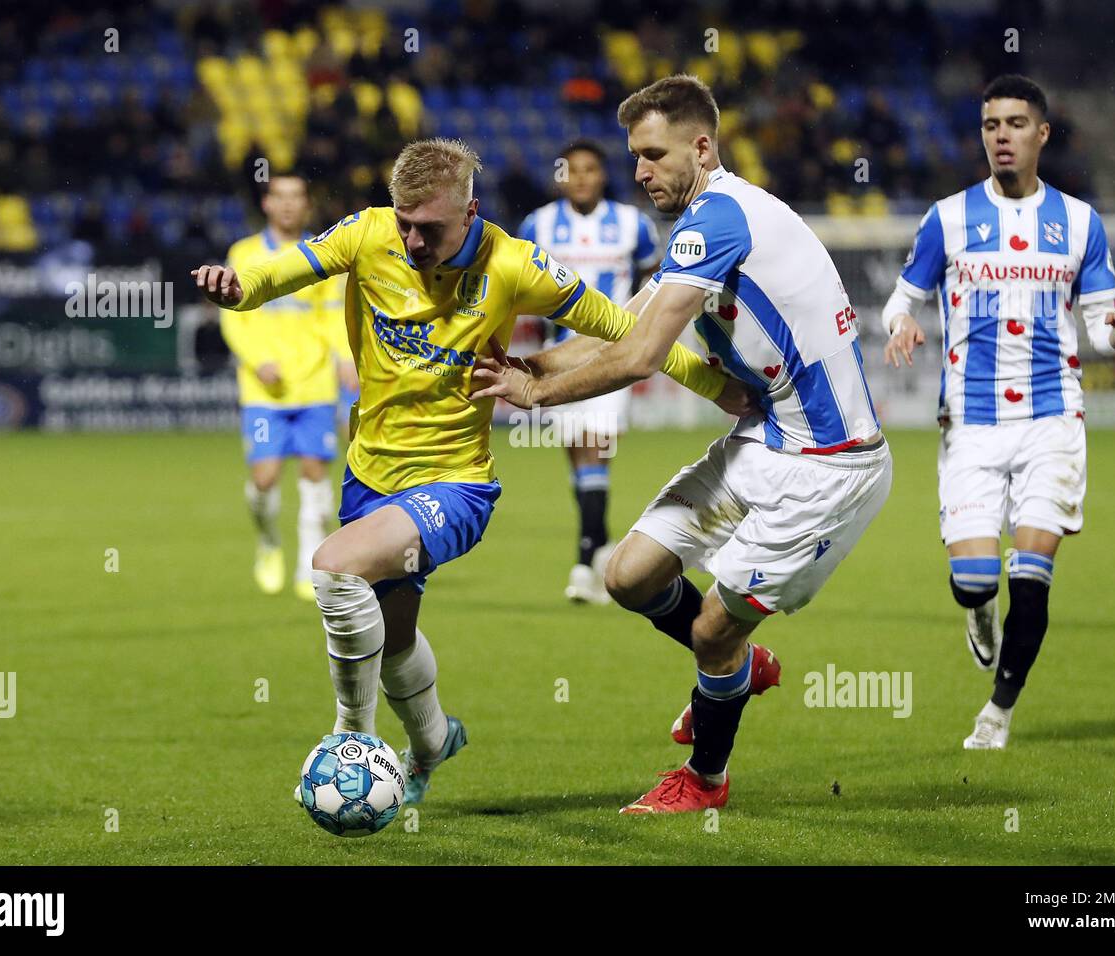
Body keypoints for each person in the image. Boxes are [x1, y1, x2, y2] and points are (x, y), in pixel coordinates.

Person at [193, 138, 748, 804]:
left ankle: (350, 737)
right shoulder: (369, 234)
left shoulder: (514, 263)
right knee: (393, 642)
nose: (412, 240)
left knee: (335, 567)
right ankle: (432, 742)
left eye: (428, 228)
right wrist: (239, 288)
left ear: (470, 212)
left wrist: (714, 388)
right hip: (370, 475)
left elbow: (624, 334)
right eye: (404, 223)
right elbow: (281, 273)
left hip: (455, 484)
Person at [473, 75, 891, 814]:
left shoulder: (719, 220)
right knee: (628, 576)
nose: (640, 171)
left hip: (829, 466)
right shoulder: (712, 217)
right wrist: (527, 367)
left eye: (653, 154)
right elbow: (623, 320)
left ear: (702, 147)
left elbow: (638, 356)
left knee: (709, 630)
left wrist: (536, 394)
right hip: (765, 439)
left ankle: (705, 780)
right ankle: (739, 666)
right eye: (634, 156)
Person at [881, 75, 1115, 749]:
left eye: (1016, 123)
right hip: (968, 422)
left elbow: (1100, 330)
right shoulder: (948, 217)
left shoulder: (1080, 222)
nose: (1002, 134)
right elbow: (900, 298)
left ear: (1042, 134)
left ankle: (997, 711)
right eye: (992, 123)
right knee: (974, 582)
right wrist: (901, 324)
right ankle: (978, 612)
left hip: (1053, 417)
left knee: (1032, 574)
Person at [519, 139, 663, 603]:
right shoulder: (536, 225)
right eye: (572, 170)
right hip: (558, 355)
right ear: (562, 176)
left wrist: (638, 330)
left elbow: (653, 278)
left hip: (610, 355)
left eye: (589, 170)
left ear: (602, 175)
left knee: (592, 448)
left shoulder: (632, 224)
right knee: (579, 458)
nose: (581, 178)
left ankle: (584, 563)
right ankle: (601, 550)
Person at [219, 173, 356, 602]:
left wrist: (346, 357)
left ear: (306, 204)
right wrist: (257, 361)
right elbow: (232, 315)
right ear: (266, 204)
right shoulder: (244, 253)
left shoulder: (321, 252)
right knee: (264, 478)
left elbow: (332, 313)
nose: (289, 205)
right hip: (264, 391)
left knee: (316, 475)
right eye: (280, 197)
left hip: (314, 384)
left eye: (297, 197)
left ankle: (306, 566)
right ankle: (268, 542)